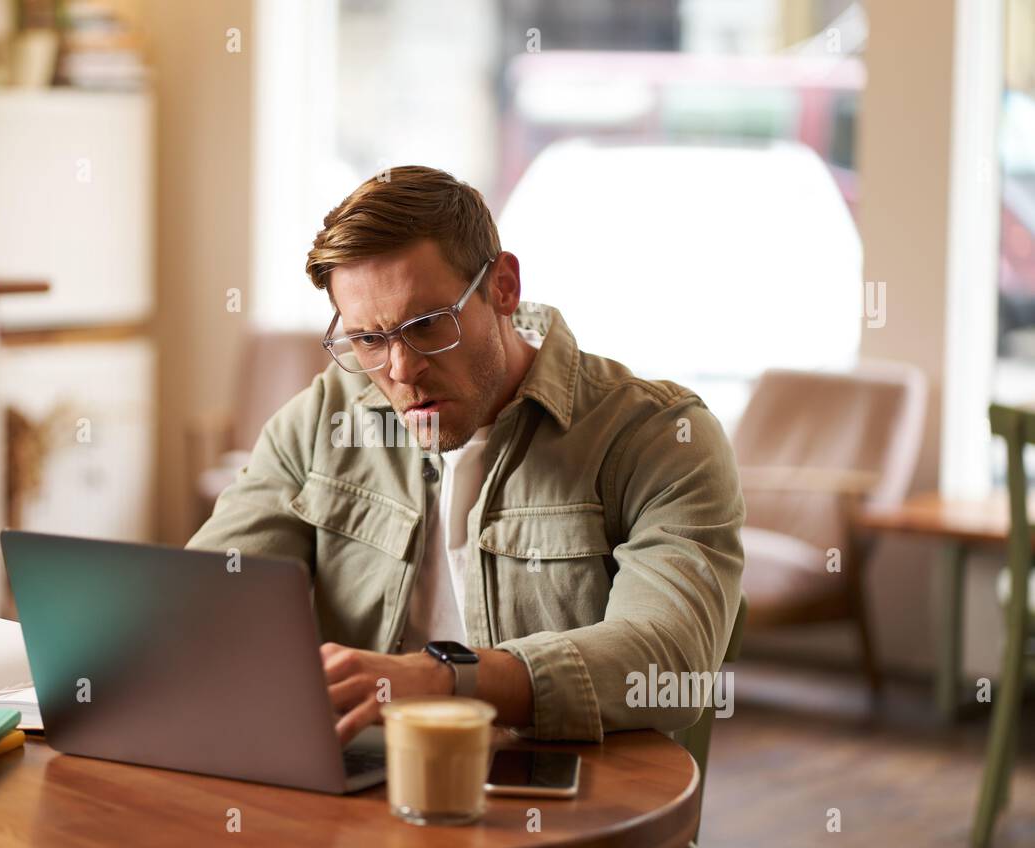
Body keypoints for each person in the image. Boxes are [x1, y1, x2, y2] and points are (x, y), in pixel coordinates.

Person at [188, 165, 745, 746]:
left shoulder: (659, 436)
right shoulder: (325, 419)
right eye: (369, 340)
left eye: (428, 325)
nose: (400, 371)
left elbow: (666, 661)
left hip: (574, 805)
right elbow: (211, 597)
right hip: (361, 805)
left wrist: (442, 678)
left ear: (503, 287)